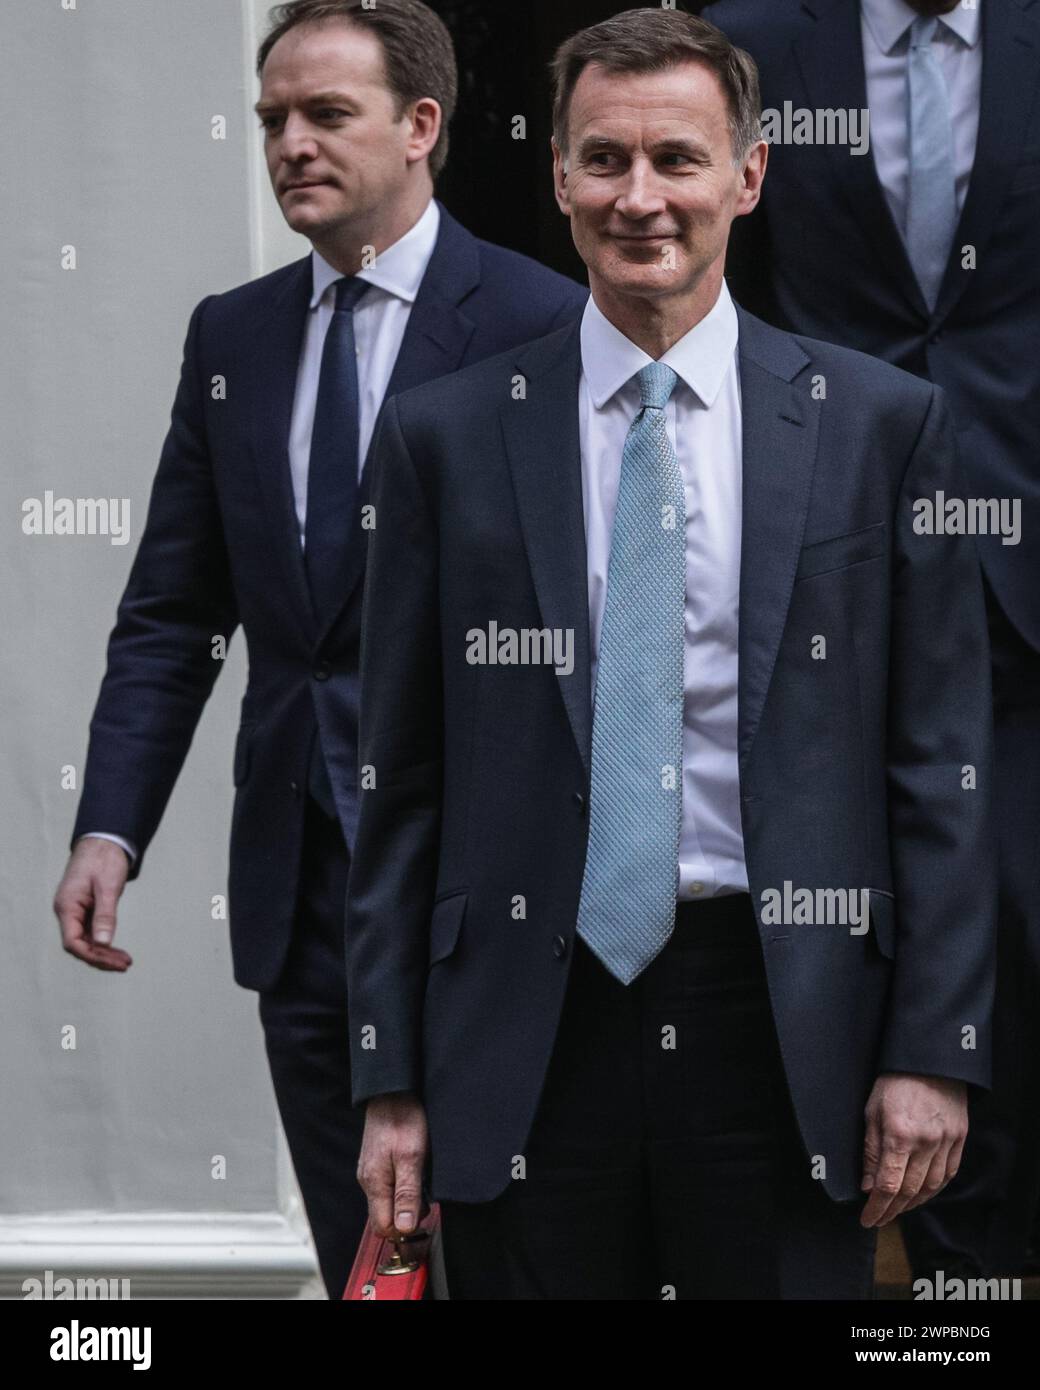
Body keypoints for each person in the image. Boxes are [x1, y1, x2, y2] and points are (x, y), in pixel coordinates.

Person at [344, 7, 996, 1300]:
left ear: (748, 176)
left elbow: (941, 767)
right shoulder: (446, 439)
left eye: (679, 160)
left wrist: (934, 1049)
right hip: (526, 1032)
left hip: (788, 1021)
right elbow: (400, 784)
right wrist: (390, 1079)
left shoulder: (885, 428)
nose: (641, 198)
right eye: (606, 159)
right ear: (558, 176)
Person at [51, 0, 586, 1300]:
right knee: (363, 1259)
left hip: (490, 897)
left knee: (511, 1258)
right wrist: (110, 827)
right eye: (273, 117)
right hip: (302, 898)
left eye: (325, 114)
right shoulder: (231, 336)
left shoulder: (542, 322)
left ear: (420, 126)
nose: (290, 142)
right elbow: (176, 612)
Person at [704, 0, 1040, 1286]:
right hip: (822, 560)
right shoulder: (750, 35)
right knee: (841, 958)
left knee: (1011, 948)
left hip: (1022, 585)